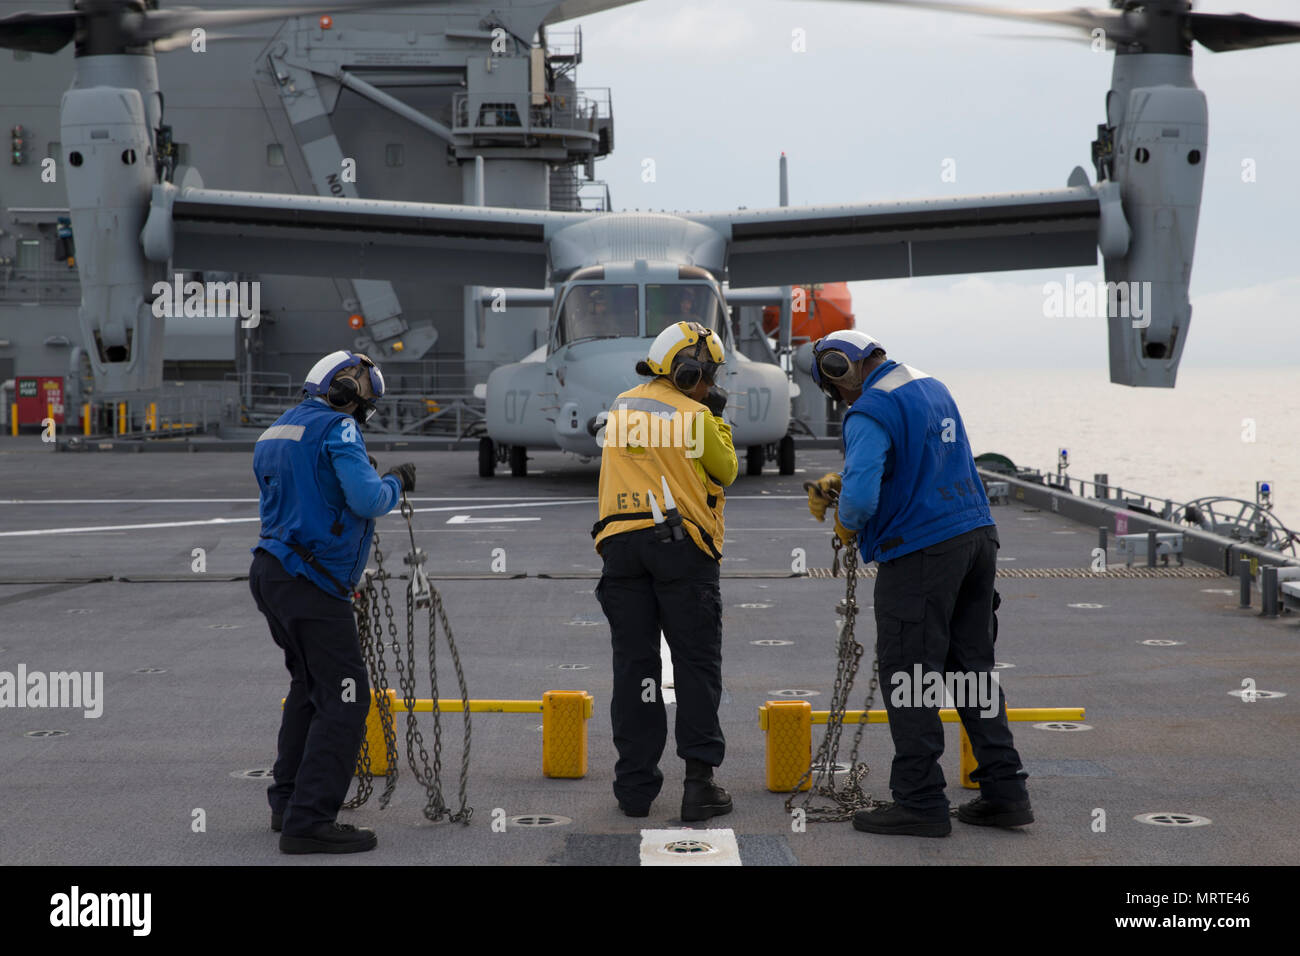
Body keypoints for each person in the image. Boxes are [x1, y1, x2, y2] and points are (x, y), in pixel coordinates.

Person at [805, 329, 1031, 838]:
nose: (840, 398)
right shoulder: (930, 386)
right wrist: (847, 484)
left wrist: (844, 523)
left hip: (921, 554)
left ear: (842, 370)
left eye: (834, 387)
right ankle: (1005, 792)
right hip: (976, 538)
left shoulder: (868, 410)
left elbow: (861, 502)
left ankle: (920, 800)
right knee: (971, 671)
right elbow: (917, 466)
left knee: (909, 673)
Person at [248, 349, 416, 854]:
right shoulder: (338, 430)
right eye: (365, 399)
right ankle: (310, 821)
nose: (365, 412)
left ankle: (289, 801)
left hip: (272, 573)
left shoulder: (276, 430)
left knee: (310, 688)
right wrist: (396, 482)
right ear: (345, 391)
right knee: (346, 698)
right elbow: (367, 501)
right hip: (312, 584)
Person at [591, 321, 739, 820]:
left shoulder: (620, 406)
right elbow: (726, 471)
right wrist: (716, 420)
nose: (712, 385)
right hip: (682, 548)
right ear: (687, 369)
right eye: (708, 374)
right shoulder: (697, 417)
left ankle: (634, 789)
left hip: (620, 548)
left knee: (635, 669)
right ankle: (699, 786)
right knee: (696, 665)